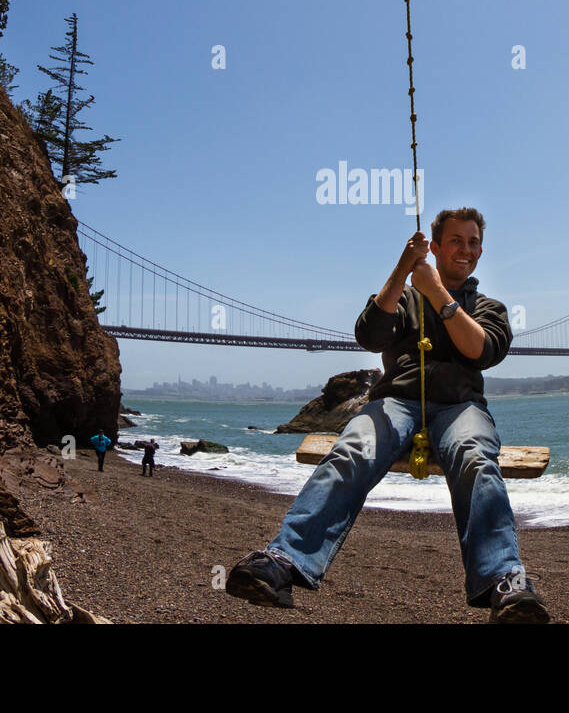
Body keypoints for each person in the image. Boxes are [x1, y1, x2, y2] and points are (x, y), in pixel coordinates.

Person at [226, 207, 549, 623]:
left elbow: (481, 350)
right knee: (354, 450)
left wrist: (438, 294)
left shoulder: (489, 307)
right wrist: (403, 269)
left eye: (472, 242)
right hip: (396, 402)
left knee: (474, 456)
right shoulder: (403, 296)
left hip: (460, 407)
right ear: (434, 247)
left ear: (481, 250)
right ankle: (282, 562)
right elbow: (370, 334)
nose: (464, 249)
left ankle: (505, 582)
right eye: (454, 240)